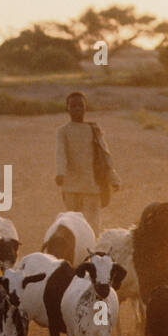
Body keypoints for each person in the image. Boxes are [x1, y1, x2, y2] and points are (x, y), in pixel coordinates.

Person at [55, 91, 119, 234]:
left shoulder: (94, 130)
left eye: (80, 106)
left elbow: (105, 155)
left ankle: (93, 254)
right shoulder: (63, 131)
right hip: (71, 186)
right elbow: (61, 154)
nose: (77, 109)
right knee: (72, 225)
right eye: (73, 106)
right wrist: (60, 173)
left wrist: (113, 178)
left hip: (92, 185)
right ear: (67, 108)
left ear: (86, 108)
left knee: (92, 225)